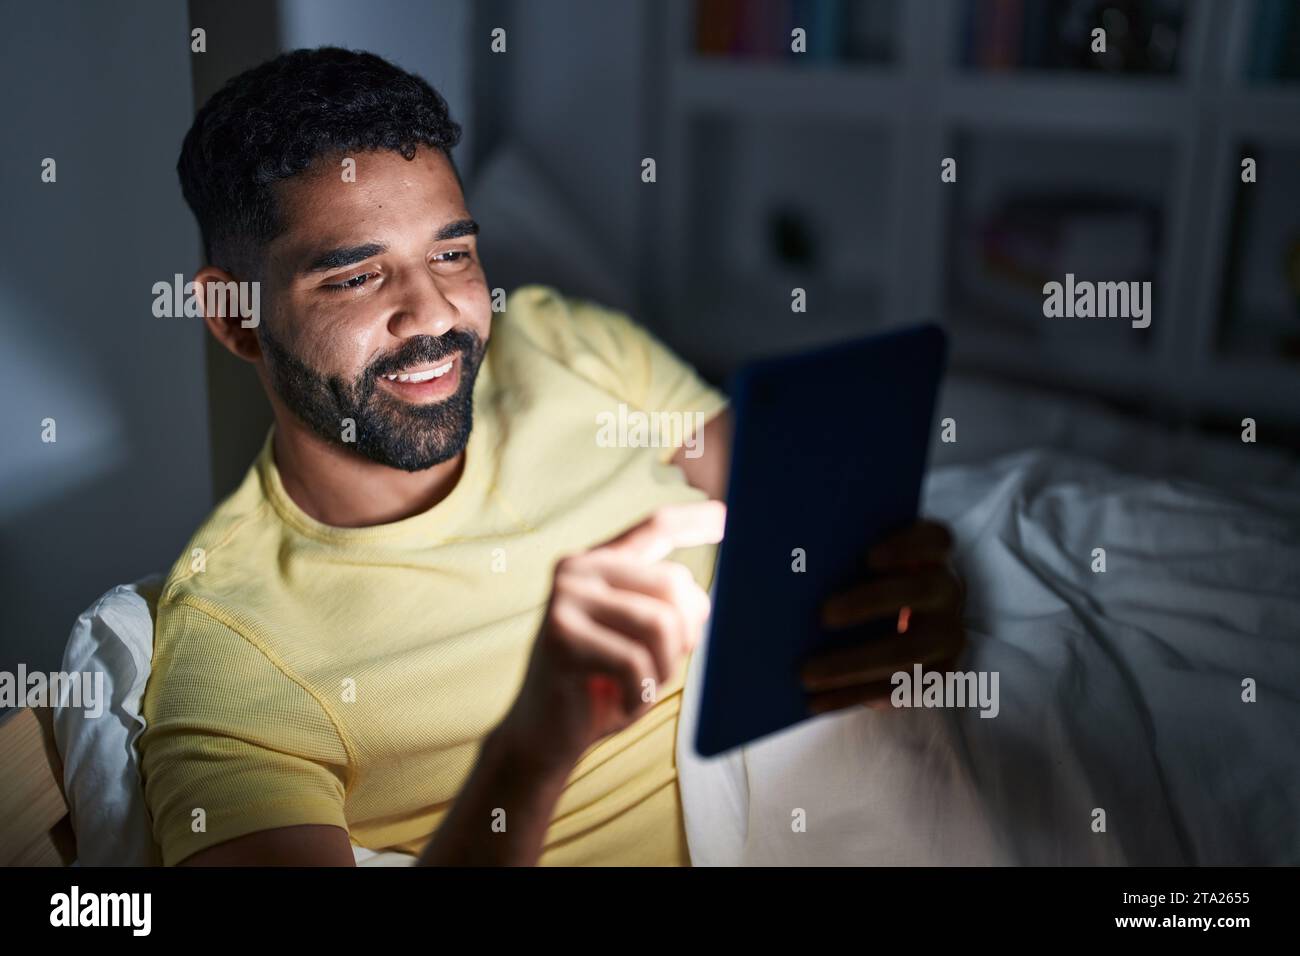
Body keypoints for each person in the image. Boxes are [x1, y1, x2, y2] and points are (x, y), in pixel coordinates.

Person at [138, 47, 966, 866]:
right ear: (235, 316)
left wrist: (894, 611)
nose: (434, 315)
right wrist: (533, 747)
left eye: (451, 254)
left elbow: (800, 519)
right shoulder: (234, 659)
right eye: (356, 277)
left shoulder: (558, 340)